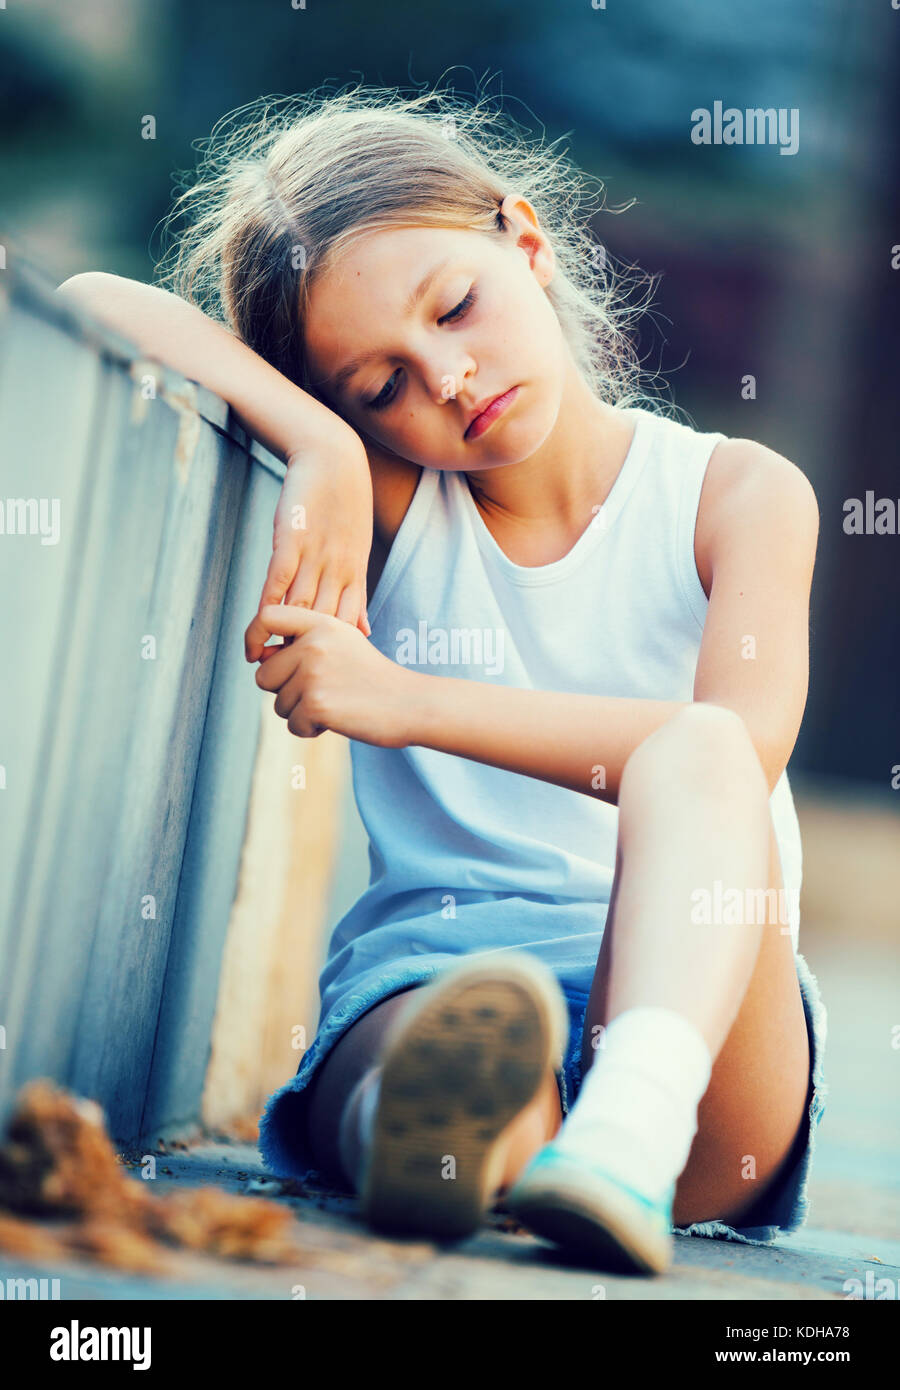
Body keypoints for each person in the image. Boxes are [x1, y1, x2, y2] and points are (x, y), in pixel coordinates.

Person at [57, 84, 827, 1274]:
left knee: (707, 746)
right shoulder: (400, 500)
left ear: (524, 238)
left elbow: (739, 754)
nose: (449, 382)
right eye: (379, 388)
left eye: (456, 308)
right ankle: (452, 1145)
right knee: (440, 1047)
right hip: (452, 970)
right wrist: (313, 442)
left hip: (708, 1041)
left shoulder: (740, 495)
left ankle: (620, 1133)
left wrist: (403, 698)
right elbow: (94, 299)